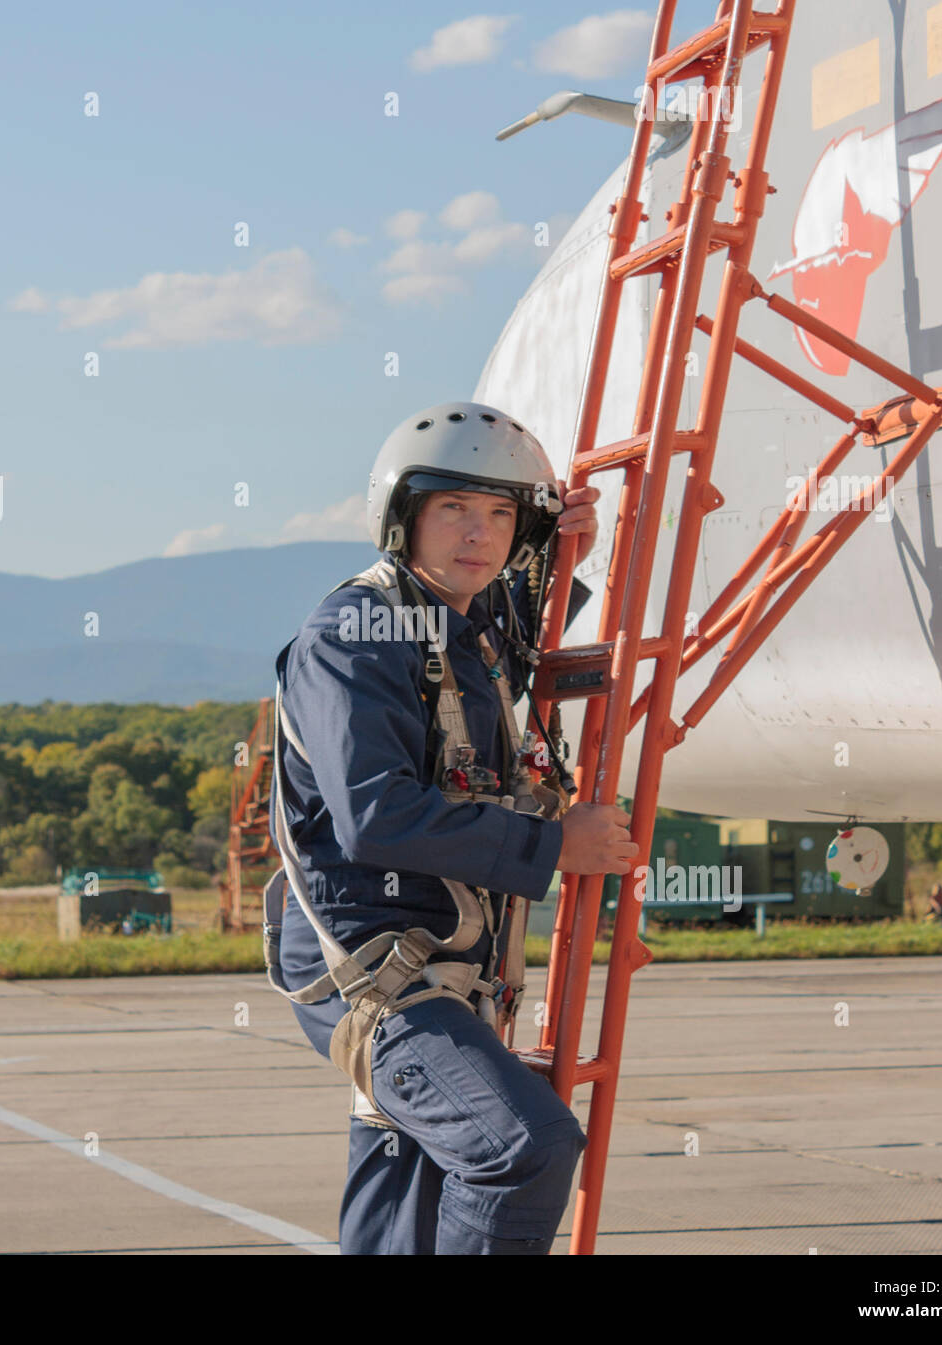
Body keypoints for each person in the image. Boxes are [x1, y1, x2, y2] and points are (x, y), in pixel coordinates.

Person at [263, 401, 639, 1254]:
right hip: (370, 957)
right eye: (455, 510)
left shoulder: (467, 625)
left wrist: (560, 541)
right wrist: (555, 845)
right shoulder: (353, 635)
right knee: (522, 1149)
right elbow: (376, 814)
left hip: (447, 957)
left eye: (502, 514)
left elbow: (524, 618)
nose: (481, 534)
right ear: (405, 518)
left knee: (408, 1205)